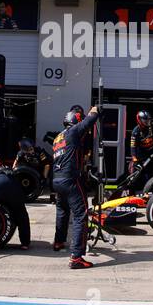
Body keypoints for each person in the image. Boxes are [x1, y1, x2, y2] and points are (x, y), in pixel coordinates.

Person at [51, 106, 99, 269]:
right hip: (70, 179)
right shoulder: (72, 132)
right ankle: (76, 257)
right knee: (81, 215)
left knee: (62, 211)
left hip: (56, 181)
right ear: (75, 121)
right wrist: (95, 109)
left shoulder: (58, 137)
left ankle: (58, 242)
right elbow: (89, 121)